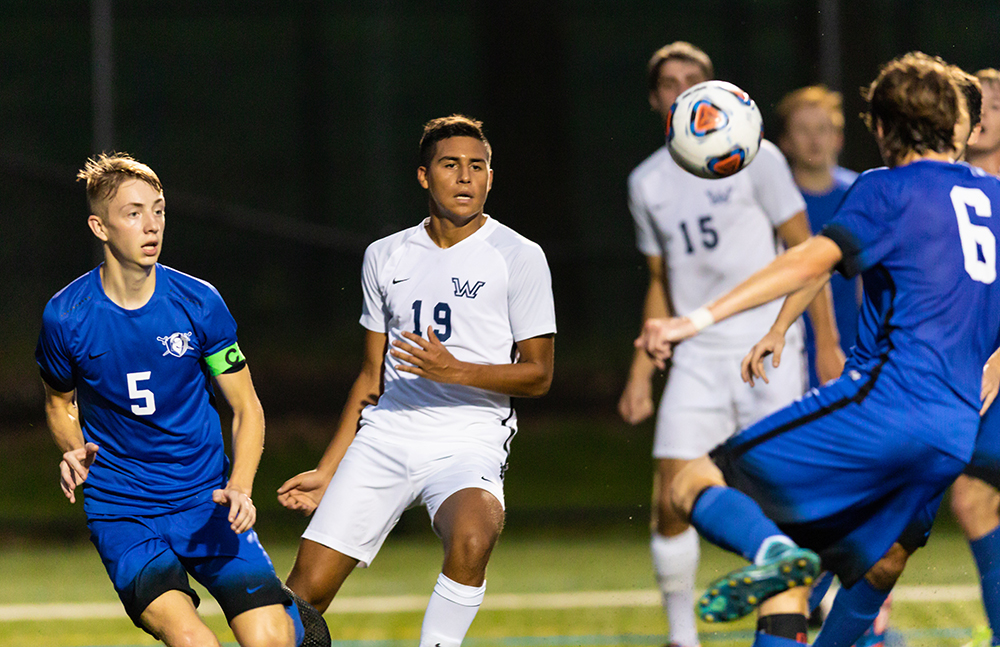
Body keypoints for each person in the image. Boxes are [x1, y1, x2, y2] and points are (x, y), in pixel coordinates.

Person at [636, 52, 998, 647]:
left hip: (880, 411)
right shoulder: (994, 198)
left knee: (694, 483)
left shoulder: (886, 188)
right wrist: (782, 329)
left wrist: (693, 320)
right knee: (880, 567)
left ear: (880, 128)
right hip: (952, 433)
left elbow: (810, 257)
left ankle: (771, 550)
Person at [276, 114, 556, 647]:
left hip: (469, 437)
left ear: (491, 178)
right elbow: (369, 378)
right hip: (388, 435)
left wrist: (457, 371)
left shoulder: (518, 256)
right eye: (451, 165)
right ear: (425, 176)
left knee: (474, 535)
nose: (466, 177)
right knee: (299, 604)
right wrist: (328, 468)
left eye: (478, 166)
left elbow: (539, 375)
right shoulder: (386, 255)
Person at [36, 154, 329, 647]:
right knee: (195, 642)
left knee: (270, 641)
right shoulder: (66, 317)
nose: (151, 226)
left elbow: (246, 407)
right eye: (133, 213)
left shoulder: (199, 304)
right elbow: (58, 402)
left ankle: (291, 620)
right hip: (122, 510)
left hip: (206, 500)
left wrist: (240, 486)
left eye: (159, 210)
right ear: (99, 226)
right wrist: (71, 448)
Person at [617, 41, 843, 647]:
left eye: (693, 79)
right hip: (695, 356)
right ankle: (680, 635)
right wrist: (641, 372)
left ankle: (810, 609)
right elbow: (661, 284)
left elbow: (806, 254)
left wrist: (826, 342)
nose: (681, 89)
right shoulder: (646, 182)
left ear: (715, 91)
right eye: (669, 82)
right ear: (657, 97)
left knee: (786, 494)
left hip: (768, 350)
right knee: (672, 494)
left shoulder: (761, 157)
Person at [949, 68, 1000, 647]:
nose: (983, 110)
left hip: (992, 370)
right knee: (972, 498)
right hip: (965, 372)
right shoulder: (943, 183)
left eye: (994, 101)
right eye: (972, 101)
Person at [776, 86, 861, 388]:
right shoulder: (773, 200)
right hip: (783, 349)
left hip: (851, 348)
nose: (814, 139)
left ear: (838, 138)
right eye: (803, 130)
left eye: (822, 129)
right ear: (785, 142)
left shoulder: (860, 193)